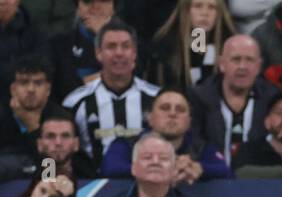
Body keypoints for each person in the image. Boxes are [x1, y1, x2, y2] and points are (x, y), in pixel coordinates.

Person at [61, 17, 161, 167]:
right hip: (94, 186)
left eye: (125, 46)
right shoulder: (75, 102)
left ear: (134, 53)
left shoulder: (157, 99)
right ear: (98, 53)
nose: (119, 53)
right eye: (111, 46)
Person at [100, 87, 232, 180]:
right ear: (150, 118)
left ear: (189, 122)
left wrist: (199, 168)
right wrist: (157, 169)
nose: (172, 114)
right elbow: (110, 167)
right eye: (165, 108)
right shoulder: (128, 143)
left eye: (180, 109)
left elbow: (226, 171)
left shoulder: (201, 147)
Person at [91, 133, 221, 197]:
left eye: (163, 158)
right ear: (133, 168)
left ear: (173, 167)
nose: (155, 162)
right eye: (147, 157)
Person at [187, 34, 278, 167]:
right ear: (222, 64)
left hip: (259, 182)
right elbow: (193, 146)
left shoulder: (272, 100)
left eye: (249, 60)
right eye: (236, 59)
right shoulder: (197, 98)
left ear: (258, 66)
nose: (242, 66)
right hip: (208, 180)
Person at [144, 0, 238, 90]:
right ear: (186, 10)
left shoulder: (232, 47)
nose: (205, 13)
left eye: (212, 7)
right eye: (198, 6)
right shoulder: (166, 47)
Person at [47, 0, 117, 100]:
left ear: (114, 8)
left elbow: (128, 83)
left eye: (103, 0)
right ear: (78, 8)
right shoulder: (58, 45)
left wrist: (104, 36)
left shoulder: (134, 44)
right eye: (87, 1)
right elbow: (65, 90)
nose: (95, 7)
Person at [0, 55, 52, 160]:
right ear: (13, 89)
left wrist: (31, 125)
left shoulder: (61, 118)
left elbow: (51, 167)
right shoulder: (2, 119)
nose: (31, 89)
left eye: (38, 83)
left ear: (48, 89)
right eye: (24, 82)